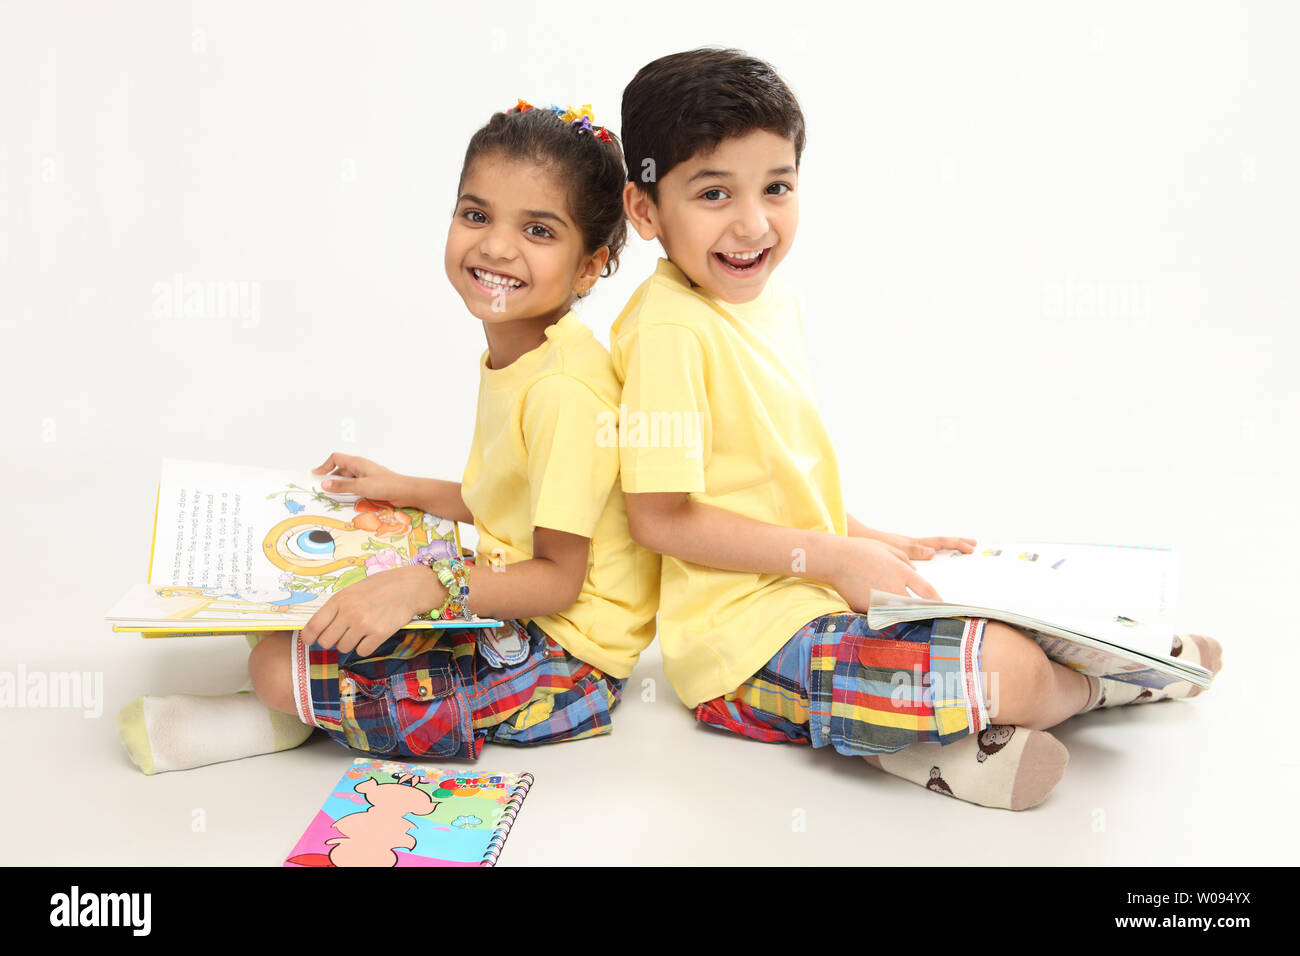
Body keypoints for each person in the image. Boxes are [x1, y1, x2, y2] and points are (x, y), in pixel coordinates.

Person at [609, 49, 1222, 810]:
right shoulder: (669, 329)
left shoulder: (765, 301)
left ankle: (976, 733)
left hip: (818, 600)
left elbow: (766, 479)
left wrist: (869, 537)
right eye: (712, 193)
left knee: (1004, 633)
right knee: (1015, 671)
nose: (753, 224)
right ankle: (1092, 685)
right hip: (742, 657)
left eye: (777, 187)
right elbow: (660, 517)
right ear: (644, 209)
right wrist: (831, 554)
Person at [118, 100, 658, 771]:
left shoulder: (564, 391)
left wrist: (427, 584)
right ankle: (302, 699)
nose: (494, 245)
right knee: (293, 609)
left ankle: (278, 715)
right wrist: (405, 489)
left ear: (587, 268)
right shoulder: (526, 356)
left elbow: (557, 579)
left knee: (274, 668)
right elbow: (518, 500)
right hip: (516, 605)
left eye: (539, 230)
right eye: (476, 213)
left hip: (564, 660)